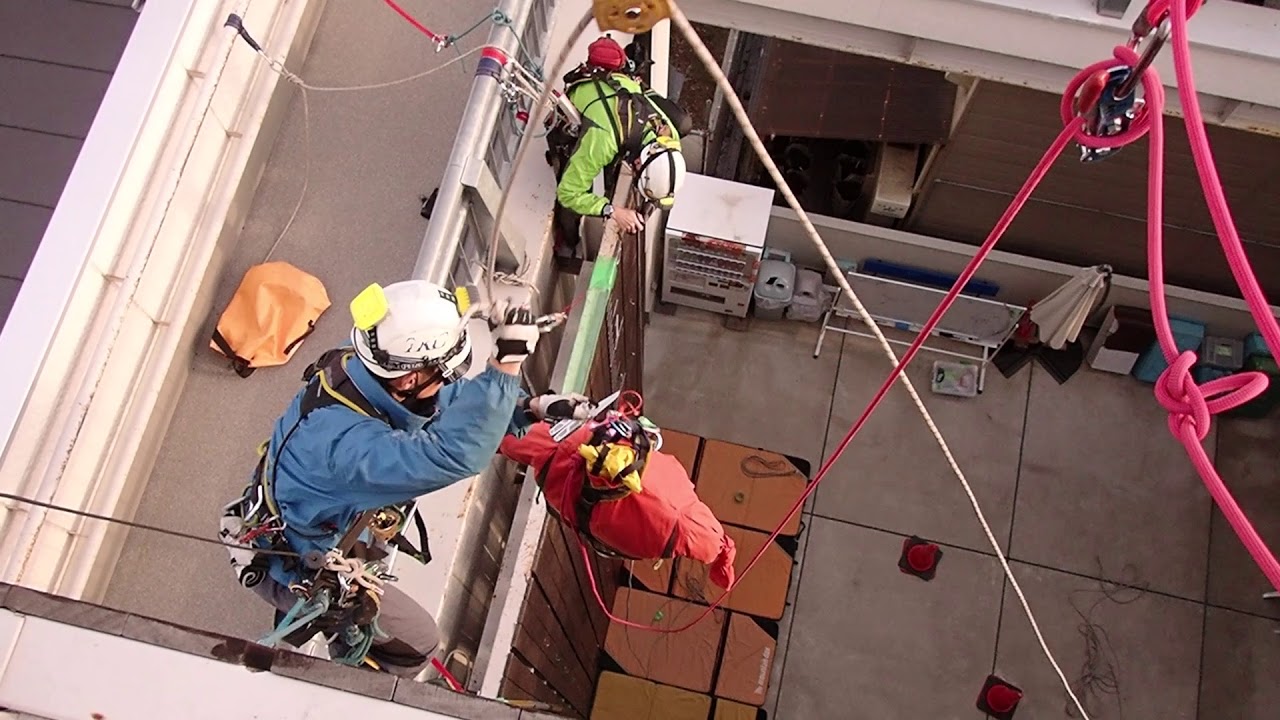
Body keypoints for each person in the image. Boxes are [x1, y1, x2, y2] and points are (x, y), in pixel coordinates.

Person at [219, 279, 589, 676]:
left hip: (299, 518)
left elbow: (442, 401)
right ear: (410, 379)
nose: (448, 381)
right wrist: (506, 366)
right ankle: (345, 680)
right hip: (295, 563)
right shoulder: (345, 447)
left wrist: (527, 408)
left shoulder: (358, 367)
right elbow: (453, 453)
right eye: (443, 372)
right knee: (419, 642)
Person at [498, 411, 737, 588]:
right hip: (564, 467)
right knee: (496, 428)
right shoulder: (651, 545)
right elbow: (598, 528)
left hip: (574, 442)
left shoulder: (681, 484)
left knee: (499, 419)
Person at [547, 35, 690, 261]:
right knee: (571, 202)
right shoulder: (603, 142)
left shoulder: (668, 136)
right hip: (592, 98)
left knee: (684, 122)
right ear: (638, 163)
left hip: (621, 87)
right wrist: (612, 211)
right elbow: (568, 193)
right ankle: (568, 242)